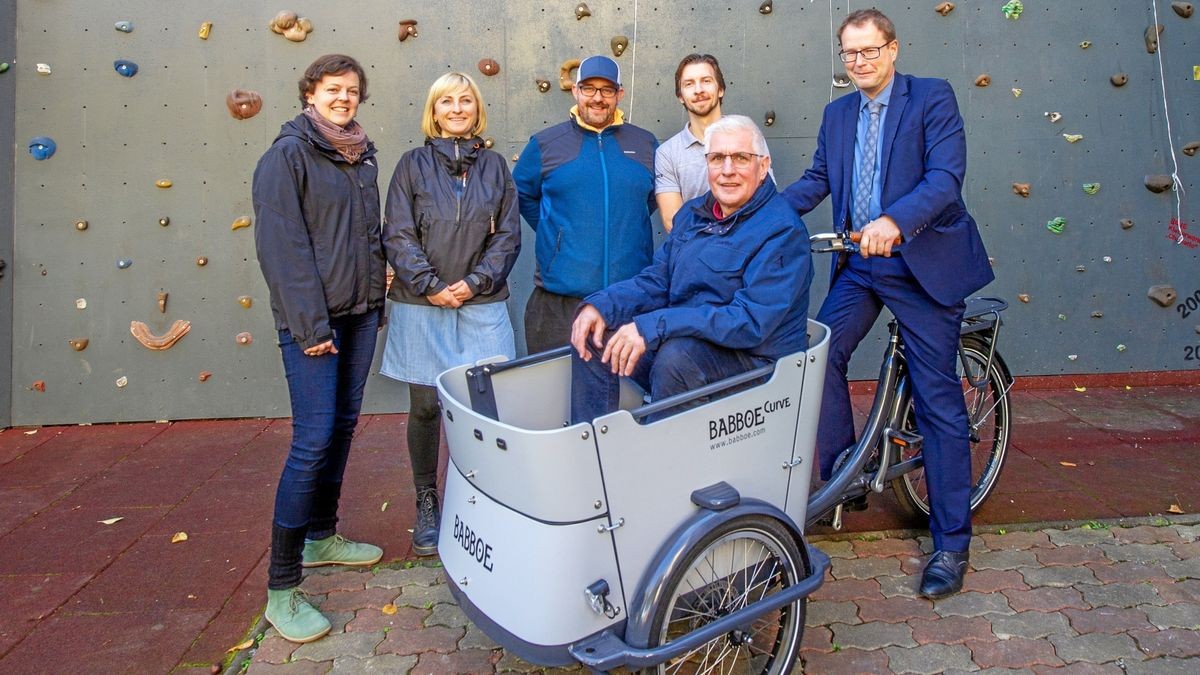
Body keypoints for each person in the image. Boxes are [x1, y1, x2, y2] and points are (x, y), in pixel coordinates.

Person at [781, 9, 994, 599]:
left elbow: (944, 180)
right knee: (814, 350)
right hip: (861, 266)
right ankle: (844, 473)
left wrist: (894, 221)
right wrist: (758, 210)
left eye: (869, 52)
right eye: (849, 54)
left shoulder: (931, 98)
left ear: (892, 50)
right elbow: (817, 179)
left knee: (938, 403)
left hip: (920, 263)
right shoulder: (837, 113)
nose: (858, 63)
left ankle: (952, 545)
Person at [252, 53, 387, 643]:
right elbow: (282, 248)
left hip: (358, 316)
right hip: (316, 325)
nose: (343, 99)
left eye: (352, 91)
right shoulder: (287, 156)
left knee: (342, 426)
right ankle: (282, 589)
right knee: (311, 441)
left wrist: (377, 283)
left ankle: (322, 536)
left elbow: (365, 234)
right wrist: (310, 329)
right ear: (310, 93)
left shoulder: (360, 155)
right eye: (333, 89)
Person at [570, 115, 812, 423]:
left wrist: (655, 326)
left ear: (763, 167)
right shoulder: (693, 215)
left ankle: (669, 462)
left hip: (755, 361)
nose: (727, 170)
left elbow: (749, 322)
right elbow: (658, 281)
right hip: (688, 343)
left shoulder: (782, 231)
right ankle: (592, 450)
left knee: (676, 359)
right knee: (595, 334)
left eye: (740, 158)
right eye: (717, 158)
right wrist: (601, 306)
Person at [381, 72, 520, 557]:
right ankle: (427, 501)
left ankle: (485, 498)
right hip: (423, 305)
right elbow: (397, 233)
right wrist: (431, 286)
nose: (457, 108)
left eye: (466, 100)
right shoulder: (411, 165)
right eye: (447, 102)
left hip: (481, 303)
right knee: (424, 407)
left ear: (476, 109)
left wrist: (475, 282)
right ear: (434, 111)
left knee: (487, 406)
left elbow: (507, 236)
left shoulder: (497, 167)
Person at [513, 55, 658, 354]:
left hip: (627, 300)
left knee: (624, 396)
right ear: (575, 91)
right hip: (559, 304)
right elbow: (521, 193)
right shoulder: (546, 144)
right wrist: (557, 232)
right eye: (589, 88)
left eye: (607, 90)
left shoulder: (645, 144)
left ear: (620, 94)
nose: (597, 98)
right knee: (555, 394)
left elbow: (652, 198)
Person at [655, 53, 726, 232]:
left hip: (747, 253)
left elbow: (763, 202)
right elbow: (674, 222)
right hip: (695, 255)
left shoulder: (748, 138)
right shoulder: (667, 153)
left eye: (706, 81)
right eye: (689, 84)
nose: (698, 90)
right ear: (680, 96)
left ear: (720, 89)